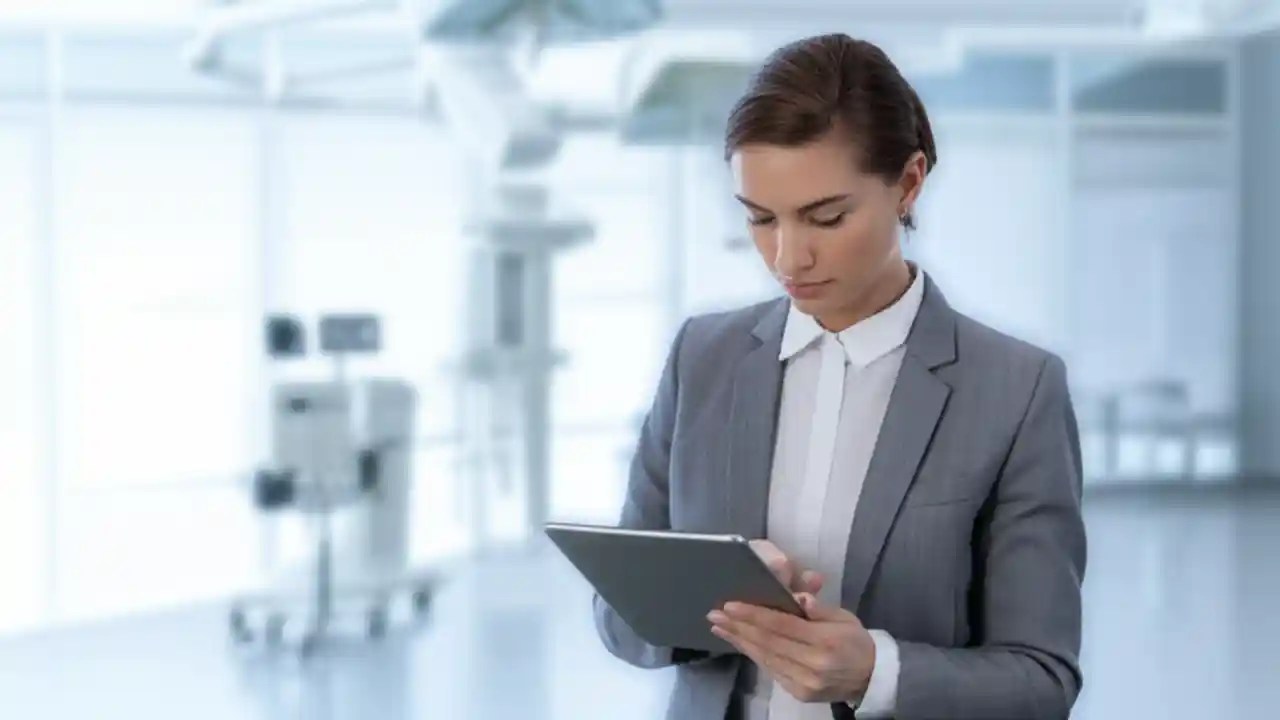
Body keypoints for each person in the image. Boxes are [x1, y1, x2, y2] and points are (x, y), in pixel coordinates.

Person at [593, 33, 1086, 720]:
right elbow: (618, 622)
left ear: (909, 183)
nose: (788, 257)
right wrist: (710, 602)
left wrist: (875, 672)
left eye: (826, 216)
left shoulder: (1016, 390)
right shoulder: (701, 358)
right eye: (761, 219)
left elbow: (1042, 680)